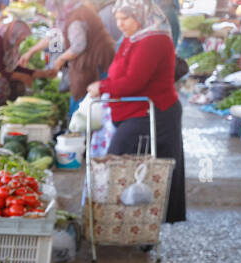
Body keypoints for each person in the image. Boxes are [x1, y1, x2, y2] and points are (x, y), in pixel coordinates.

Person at [90, 0, 185, 222]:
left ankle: (134, 222)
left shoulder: (154, 40)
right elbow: (119, 73)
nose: (120, 24)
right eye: (117, 18)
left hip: (154, 114)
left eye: (125, 18)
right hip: (136, 110)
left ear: (140, 16)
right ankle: (127, 222)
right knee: (130, 168)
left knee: (124, 165)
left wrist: (103, 87)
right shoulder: (134, 38)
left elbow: (134, 81)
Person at [33, 0, 115, 101]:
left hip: (98, 60)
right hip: (92, 58)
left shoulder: (75, 18)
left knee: (90, 95)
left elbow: (78, 46)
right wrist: (30, 52)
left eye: (52, 10)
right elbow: (54, 36)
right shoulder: (67, 14)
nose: (51, 13)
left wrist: (61, 59)